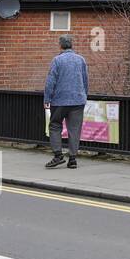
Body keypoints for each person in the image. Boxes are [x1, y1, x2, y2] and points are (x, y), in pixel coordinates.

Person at [44, 35, 88, 169]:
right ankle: (73, 159)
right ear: (72, 45)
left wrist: (47, 98)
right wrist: (84, 96)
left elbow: (51, 81)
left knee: (55, 125)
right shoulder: (81, 60)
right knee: (74, 130)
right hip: (78, 100)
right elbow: (85, 81)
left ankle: (58, 155)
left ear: (60, 45)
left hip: (60, 100)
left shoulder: (57, 60)